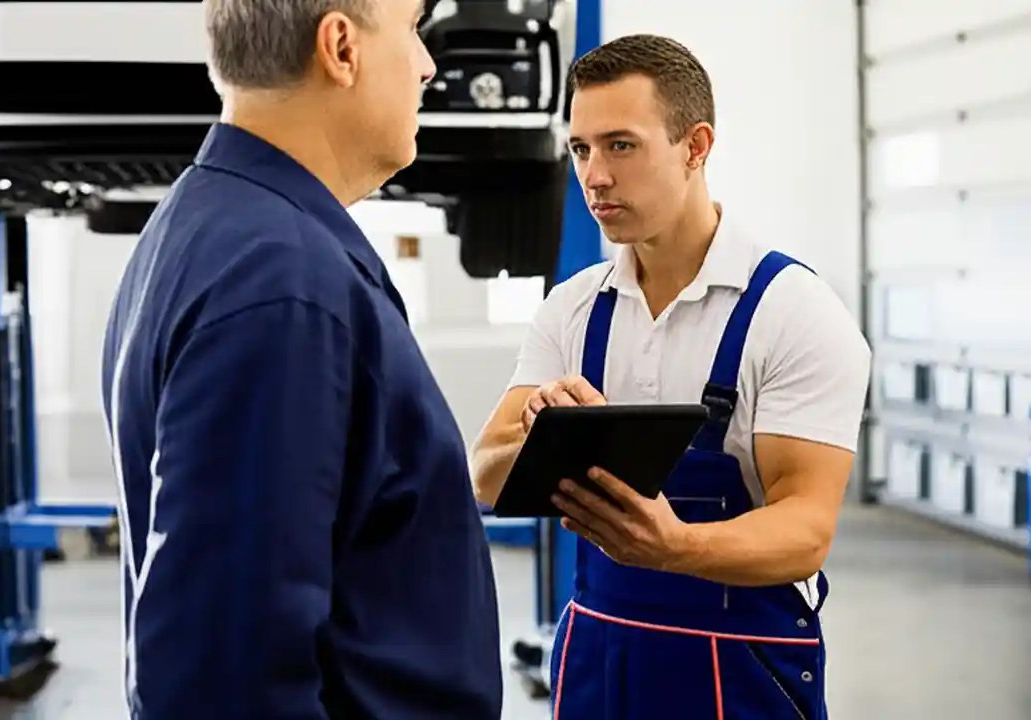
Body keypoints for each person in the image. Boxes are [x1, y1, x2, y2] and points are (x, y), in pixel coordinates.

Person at [100, 1, 502, 718]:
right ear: (341, 47)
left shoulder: (218, 227)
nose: (428, 65)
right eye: (412, 28)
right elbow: (220, 678)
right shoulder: (279, 282)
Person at [470, 34, 870, 719]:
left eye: (621, 145)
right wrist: (540, 433)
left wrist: (677, 546)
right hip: (596, 655)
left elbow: (806, 528)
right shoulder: (573, 312)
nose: (594, 175)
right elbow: (485, 477)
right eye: (581, 149)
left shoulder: (792, 313)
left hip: (741, 666)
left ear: (695, 146)